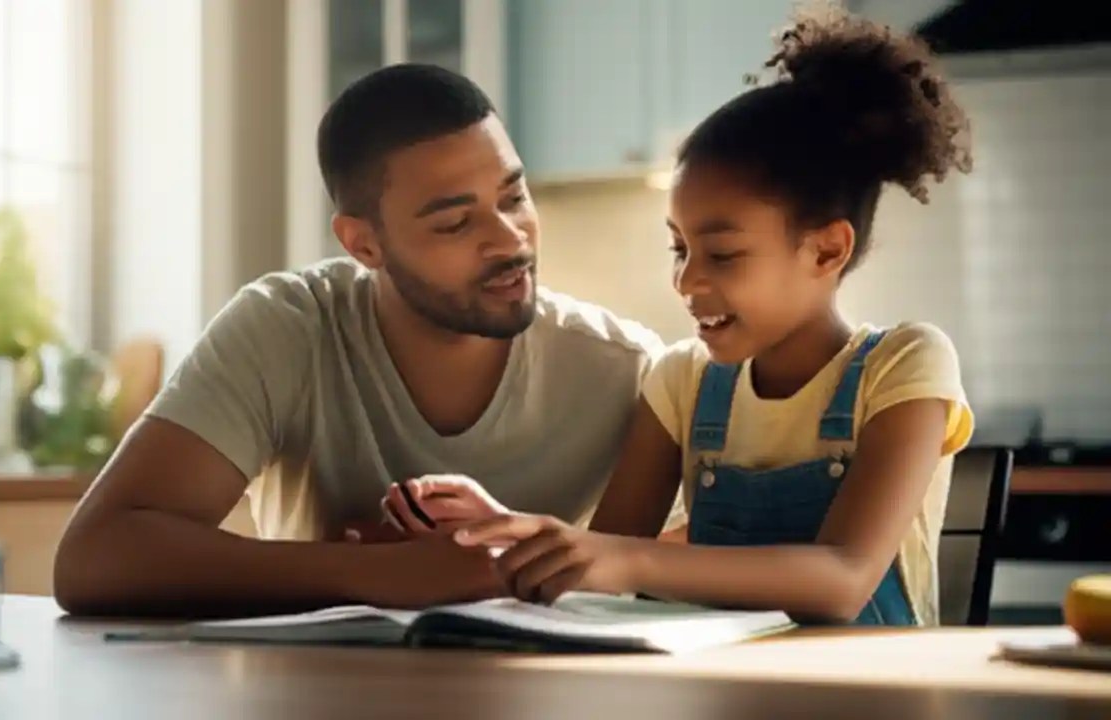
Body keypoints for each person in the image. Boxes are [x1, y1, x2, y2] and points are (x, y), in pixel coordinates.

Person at [398, 4, 975, 626]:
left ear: (827, 249)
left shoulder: (905, 365)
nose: (688, 279)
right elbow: (602, 576)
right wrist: (517, 539)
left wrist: (623, 559)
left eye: (723, 254)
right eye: (680, 248)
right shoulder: (683, 381)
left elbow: (841, 579)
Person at [53, 64, 670, 616]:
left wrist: (495, 566)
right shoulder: (286, 329)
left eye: (515, 197)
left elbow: (710, 568)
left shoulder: (627, 368)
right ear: (362, 244)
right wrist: (383, 574)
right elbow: (93, 558)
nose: (510, 240)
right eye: (456, 222)